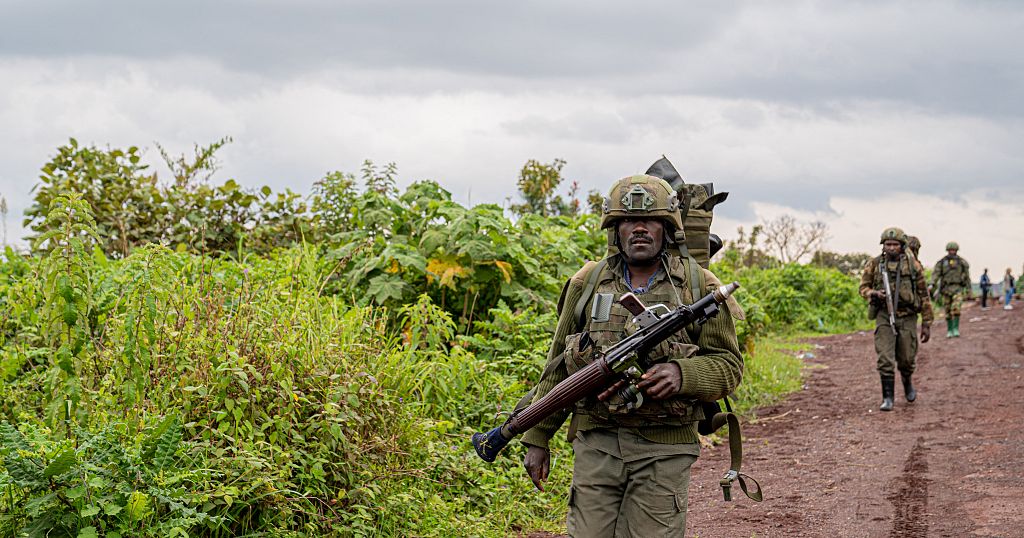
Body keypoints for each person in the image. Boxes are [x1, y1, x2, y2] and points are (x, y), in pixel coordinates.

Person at [520, 174, 743, 537]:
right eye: (628, 221)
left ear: (668, 227)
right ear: (615, 229)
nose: (639, 229)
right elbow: (559, 369)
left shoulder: (700, 285)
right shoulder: (587, 283)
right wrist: (537, 437)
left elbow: (729, 367)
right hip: (598, 444)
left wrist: (682, 374)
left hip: (664, 451)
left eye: (650, 220)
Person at [859, 227, 933, 411]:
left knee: (907, 358)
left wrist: (926, 323)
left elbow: (924, 296)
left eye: (895, 245)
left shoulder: (913, 265)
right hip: (884, 314)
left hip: (907, 316)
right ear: (883, 246)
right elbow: (863, 288)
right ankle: (888, 398)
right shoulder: (875, 264)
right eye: (888, 244)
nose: (891, 248)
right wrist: (874, 293)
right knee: (885, 358)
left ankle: (907, 381)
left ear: (902, 246)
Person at [931, 241, 972, 338]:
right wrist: (932, 284)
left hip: (958, 288)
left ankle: (955, 329)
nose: (952, 252)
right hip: (946, 289)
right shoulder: (942, 262)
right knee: (947, 310)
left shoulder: (962, 262)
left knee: (956, 308)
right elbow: (936, 273)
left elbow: (967, 277)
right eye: (950, 250)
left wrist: (969, 290)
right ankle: (949, 330)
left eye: (953, 250)